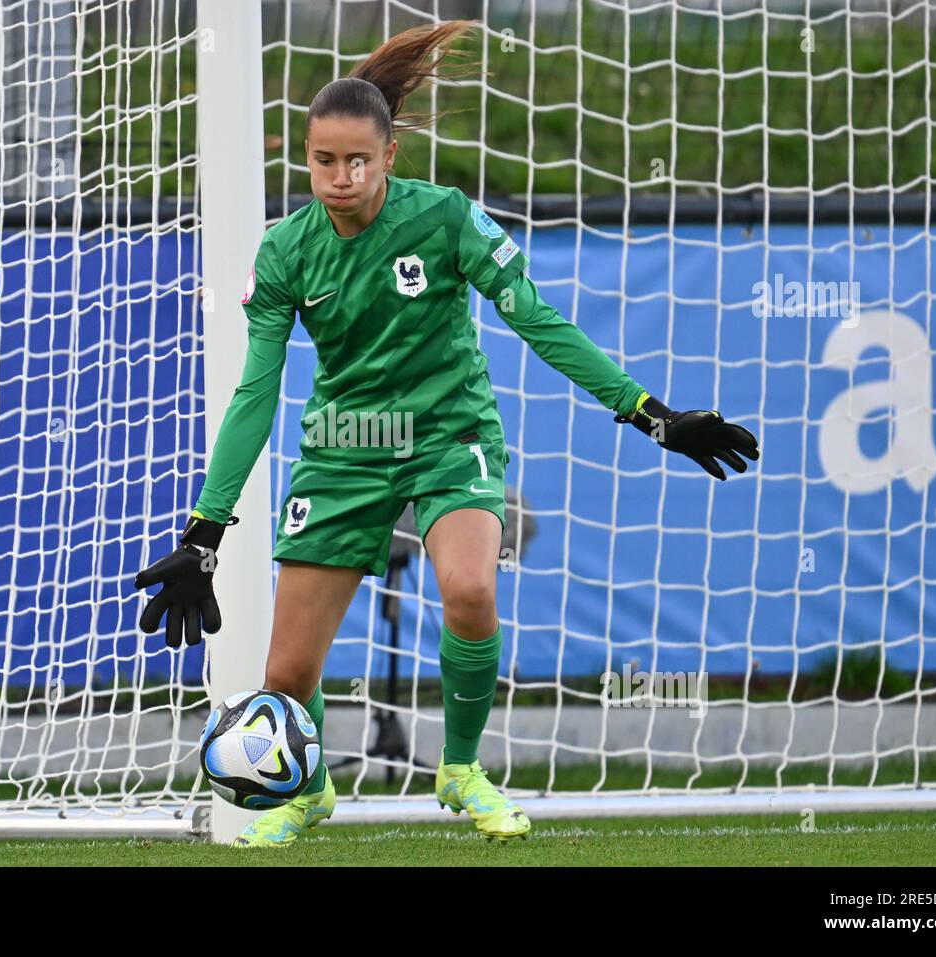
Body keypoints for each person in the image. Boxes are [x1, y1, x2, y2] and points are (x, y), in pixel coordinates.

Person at [134, 20, 759, 847]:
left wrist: (651, 413)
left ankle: (461, 769)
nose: (341, 176)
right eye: (325, 161)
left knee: (468, 589)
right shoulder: (286, 252)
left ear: (390, 157)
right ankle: (309, 790)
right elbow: (256, 392)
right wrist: (206, 531)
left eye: (360, 160)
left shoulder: (447, 220)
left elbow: (538, 320)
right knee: (285, 679)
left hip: (448, 437)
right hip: (343, 448)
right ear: (308, 159)